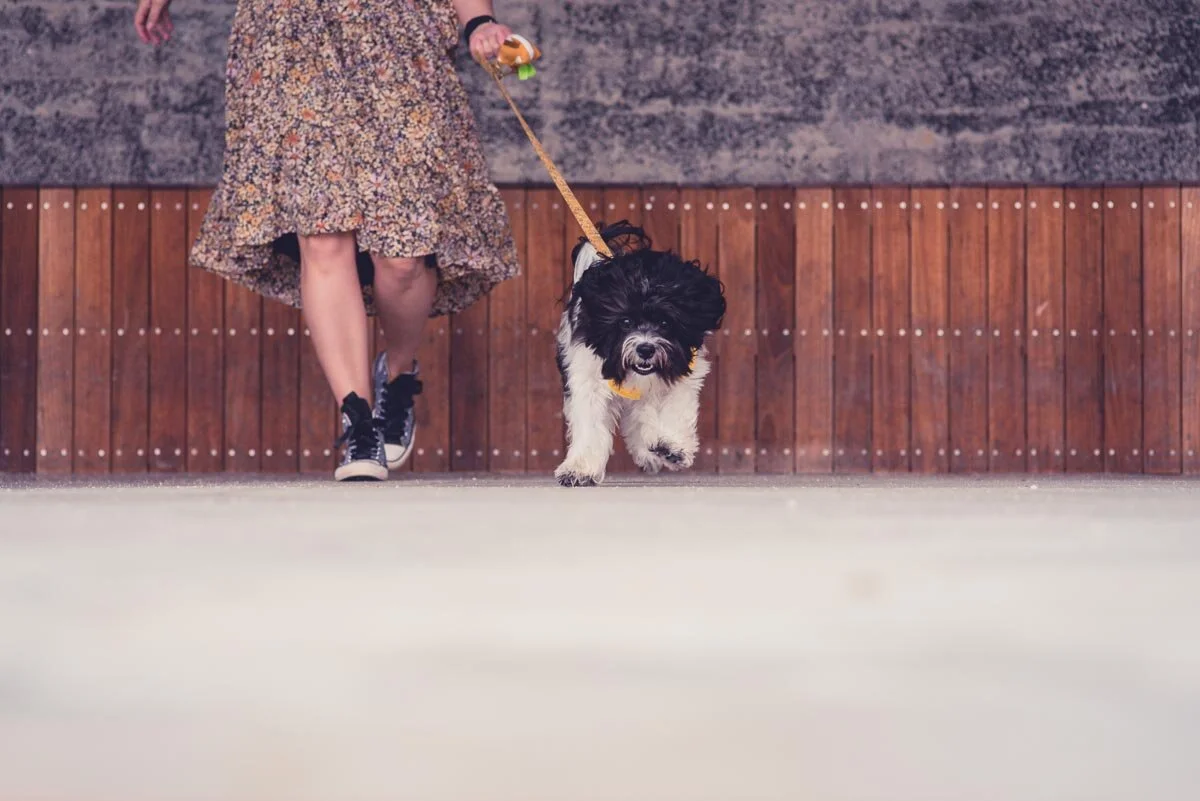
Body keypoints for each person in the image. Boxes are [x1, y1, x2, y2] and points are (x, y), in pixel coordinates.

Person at [134, 0, 520, 481]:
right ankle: (360, 422)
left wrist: (478, 21)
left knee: (404, 255)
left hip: (396, 37)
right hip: (292, 36)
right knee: (322, 235)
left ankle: (397, 375)